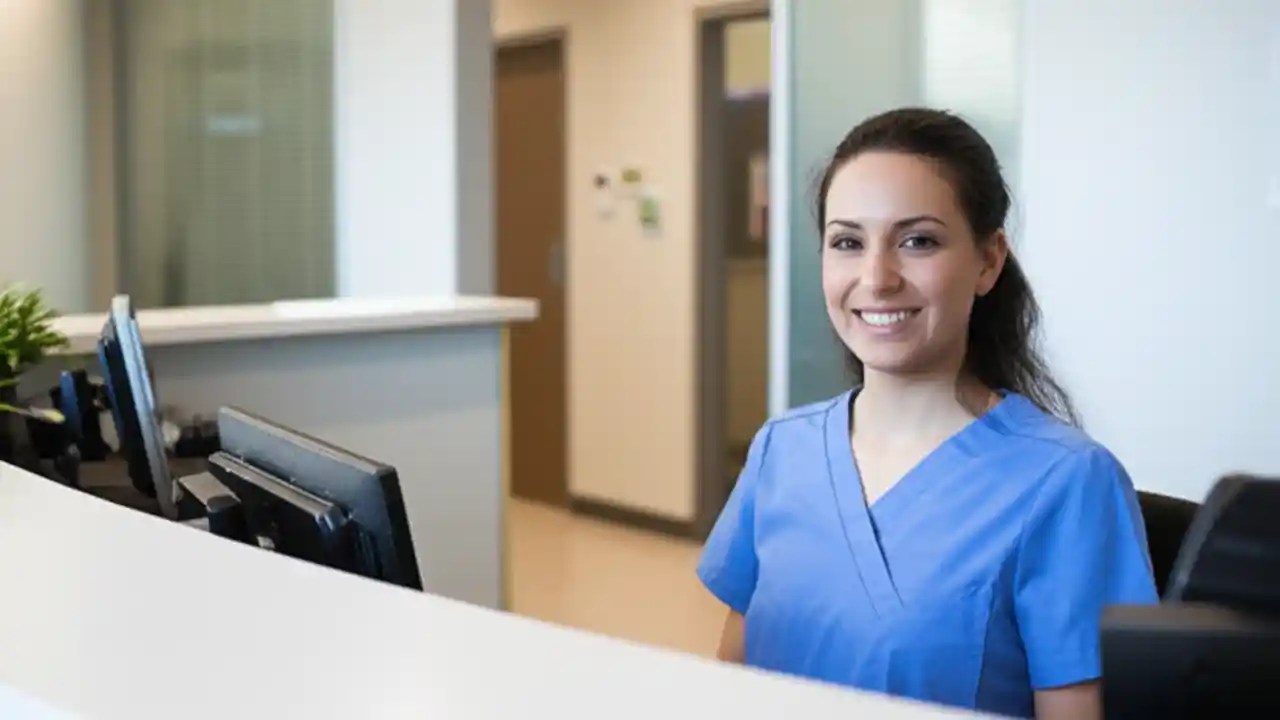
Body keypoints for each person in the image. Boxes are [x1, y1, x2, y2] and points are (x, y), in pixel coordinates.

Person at [696, 108, 1158, 719]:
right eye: (847, 242)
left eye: (918, 241)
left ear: (989, 261)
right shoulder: (783, 450)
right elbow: (731, 686)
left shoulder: (1067, 483)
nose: (876, 277)